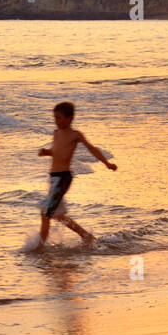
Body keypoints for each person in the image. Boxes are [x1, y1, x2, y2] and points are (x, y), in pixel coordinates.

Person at [36, 101, 118, 248]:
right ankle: (86, 236)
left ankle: (39, 247)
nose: (57, 121)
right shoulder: (56, 134)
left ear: (70, 118)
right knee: (56, 214)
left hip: (63, 178)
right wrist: (47, 152)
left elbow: (92, 149)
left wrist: (107, 163)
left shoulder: (75, 135)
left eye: (59, 118)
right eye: (55, 118)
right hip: (54, 178)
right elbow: (56, 151)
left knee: (46, 213)